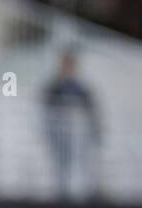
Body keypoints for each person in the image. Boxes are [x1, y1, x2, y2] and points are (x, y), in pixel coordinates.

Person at [42, 48, 100, 198]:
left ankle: (88, 190)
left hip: (77, 133)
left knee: (84, 162)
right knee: (62, 163)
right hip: (60, 132)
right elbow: (47, 105)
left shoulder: (79, 87)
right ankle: (62, 190)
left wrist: (96, 128)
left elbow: (90, 107)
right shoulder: (54, 85)